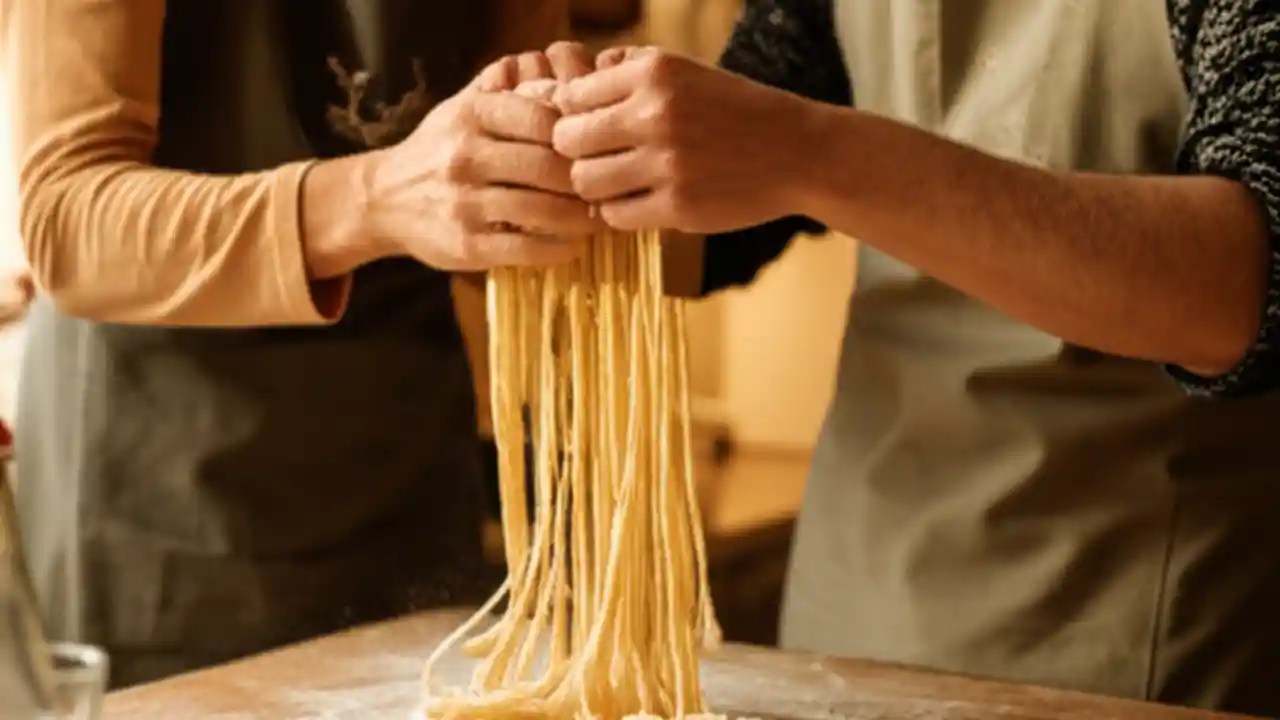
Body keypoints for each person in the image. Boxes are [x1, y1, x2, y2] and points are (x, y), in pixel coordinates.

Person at [544, 0, 1280, 715]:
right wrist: (558, 178)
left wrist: (809, 151)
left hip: (1132, 636)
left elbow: (1240, 292)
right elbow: (724, 213)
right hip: (849, 621)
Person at [6, 0, 595, 687]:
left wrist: (588, 159)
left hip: (407, 473)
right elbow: (69, 226)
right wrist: (377, 199)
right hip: (163, 498)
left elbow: (507, 190)